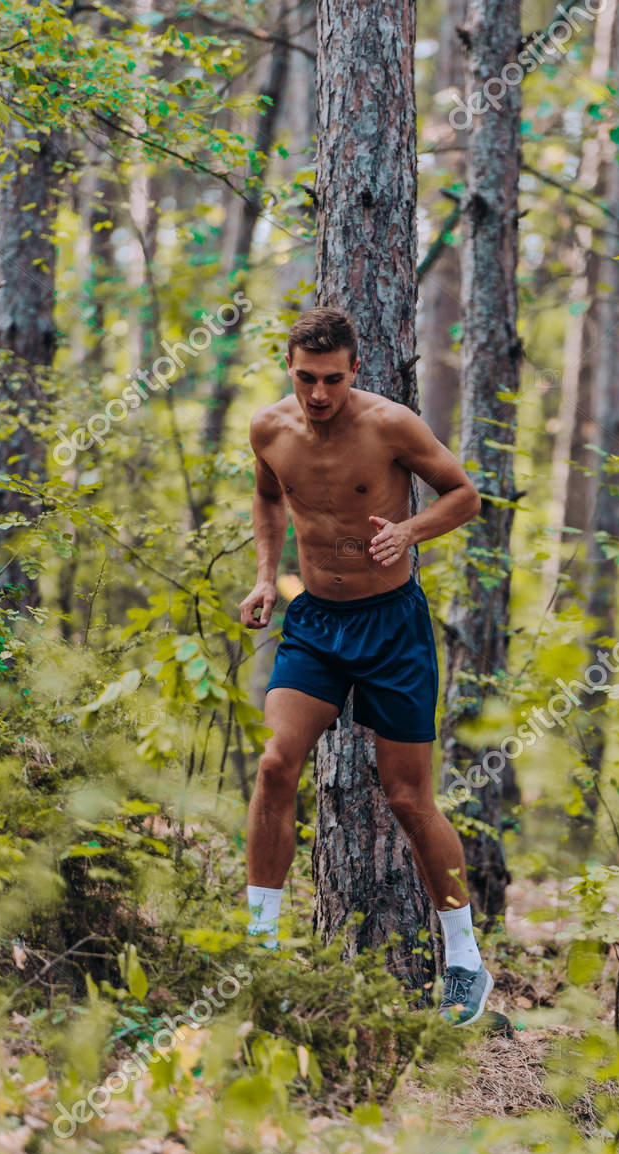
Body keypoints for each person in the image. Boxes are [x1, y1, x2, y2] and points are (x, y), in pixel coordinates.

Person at [239, 304, 493, 1026]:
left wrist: (410, 530)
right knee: (275, 764)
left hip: (392, 628)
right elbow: (267, 498)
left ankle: (466, 963)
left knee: (410, 799)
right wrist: (265, 576)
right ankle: (259, 950)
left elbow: (465, 495)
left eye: (332, 380)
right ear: (290, 369)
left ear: (355, 371)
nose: (319, 394)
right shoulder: (268, 428)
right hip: (315, 621)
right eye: (306, 378)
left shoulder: (390, 425)